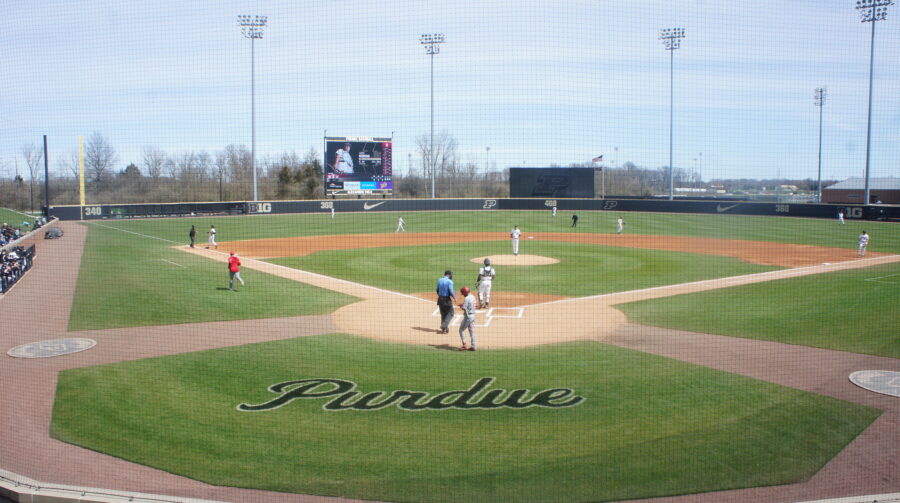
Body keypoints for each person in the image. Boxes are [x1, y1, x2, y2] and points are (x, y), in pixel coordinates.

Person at [457, 286, 477, 351]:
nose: (463, 295)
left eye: (463, 293)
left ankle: (464, 345)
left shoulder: (467, 298)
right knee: (472, 331)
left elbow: (464, 308)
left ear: (465, 292)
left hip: (468, 317)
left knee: (461, 330)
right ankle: (474, 346)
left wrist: (461, 306)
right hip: (473, 316)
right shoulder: (473, 296)